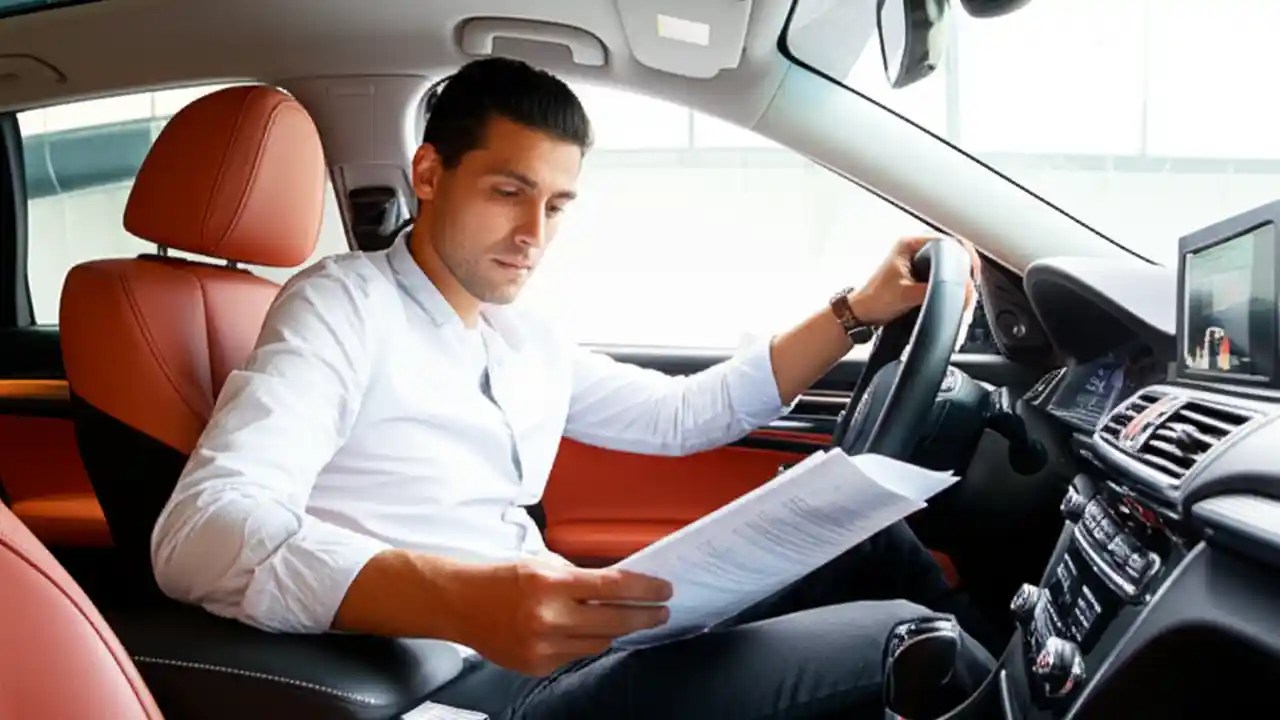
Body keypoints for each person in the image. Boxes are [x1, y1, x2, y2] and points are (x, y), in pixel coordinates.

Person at [150, 56, 997, 719]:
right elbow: (200, 534)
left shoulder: (520, 331)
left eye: (557, 204)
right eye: (508, 192)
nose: (533, 235)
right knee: (907, 639)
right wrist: (463, 600)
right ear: (430, 174)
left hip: (564, 639)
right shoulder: (341, 304)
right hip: (479, 688)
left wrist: (855, 311)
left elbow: (682, 416)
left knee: (868, 540)